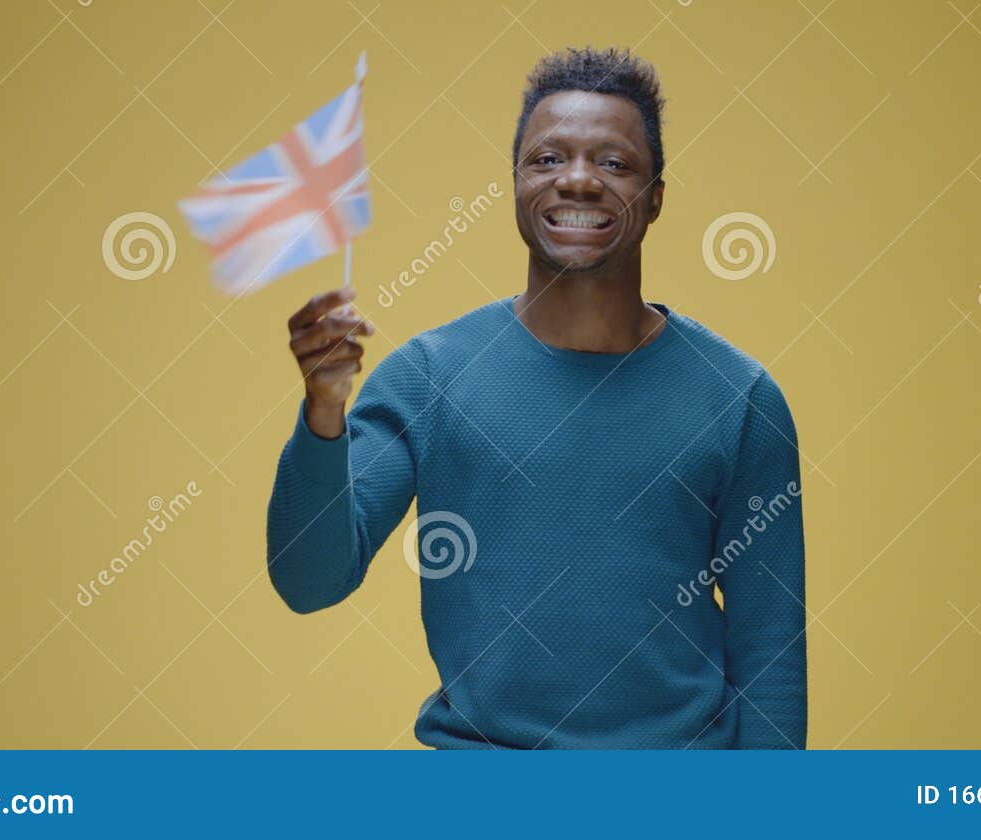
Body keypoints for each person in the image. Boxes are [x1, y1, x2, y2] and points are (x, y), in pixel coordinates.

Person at [267, 46, 807, 749]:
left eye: (613, 163)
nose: (577, 180)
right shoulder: (428, 378)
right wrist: (323, 418)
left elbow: (772, 660)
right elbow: (310, 580)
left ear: (658, 196)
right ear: (516, 183)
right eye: (547, 160)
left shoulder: (740, 400)